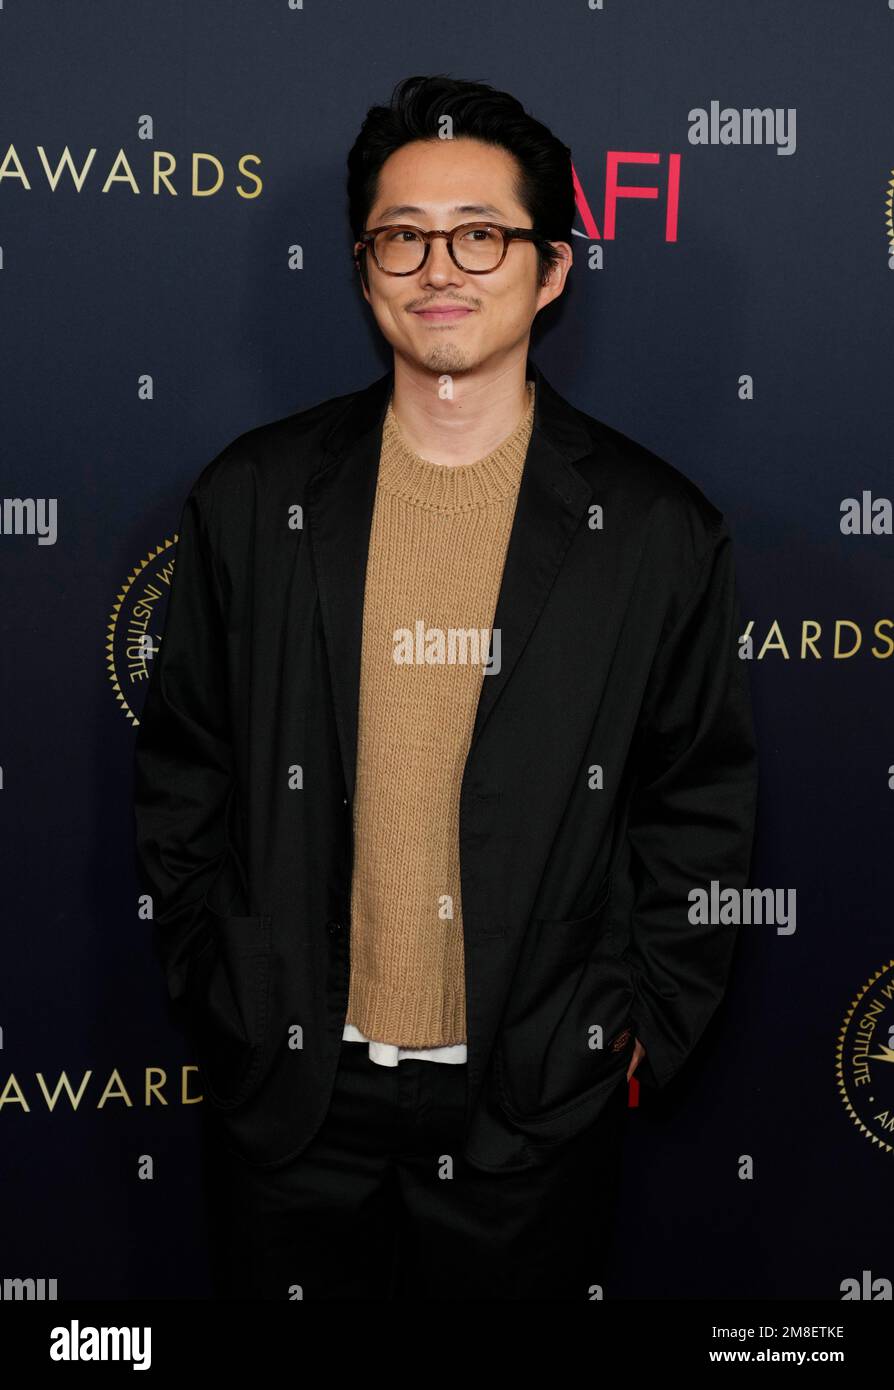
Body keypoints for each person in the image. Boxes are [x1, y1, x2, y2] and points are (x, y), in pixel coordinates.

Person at [133, 73, 758, 1300]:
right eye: (403, 236)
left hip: (528, 1101)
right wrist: (224, 985)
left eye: (482, 233)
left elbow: (700, 804)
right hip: (294, 1092)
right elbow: (183, 766)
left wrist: (622, 1032)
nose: (441, 266)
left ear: (555, 267)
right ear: (365, 270)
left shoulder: (654, 528)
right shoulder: (257, 498)